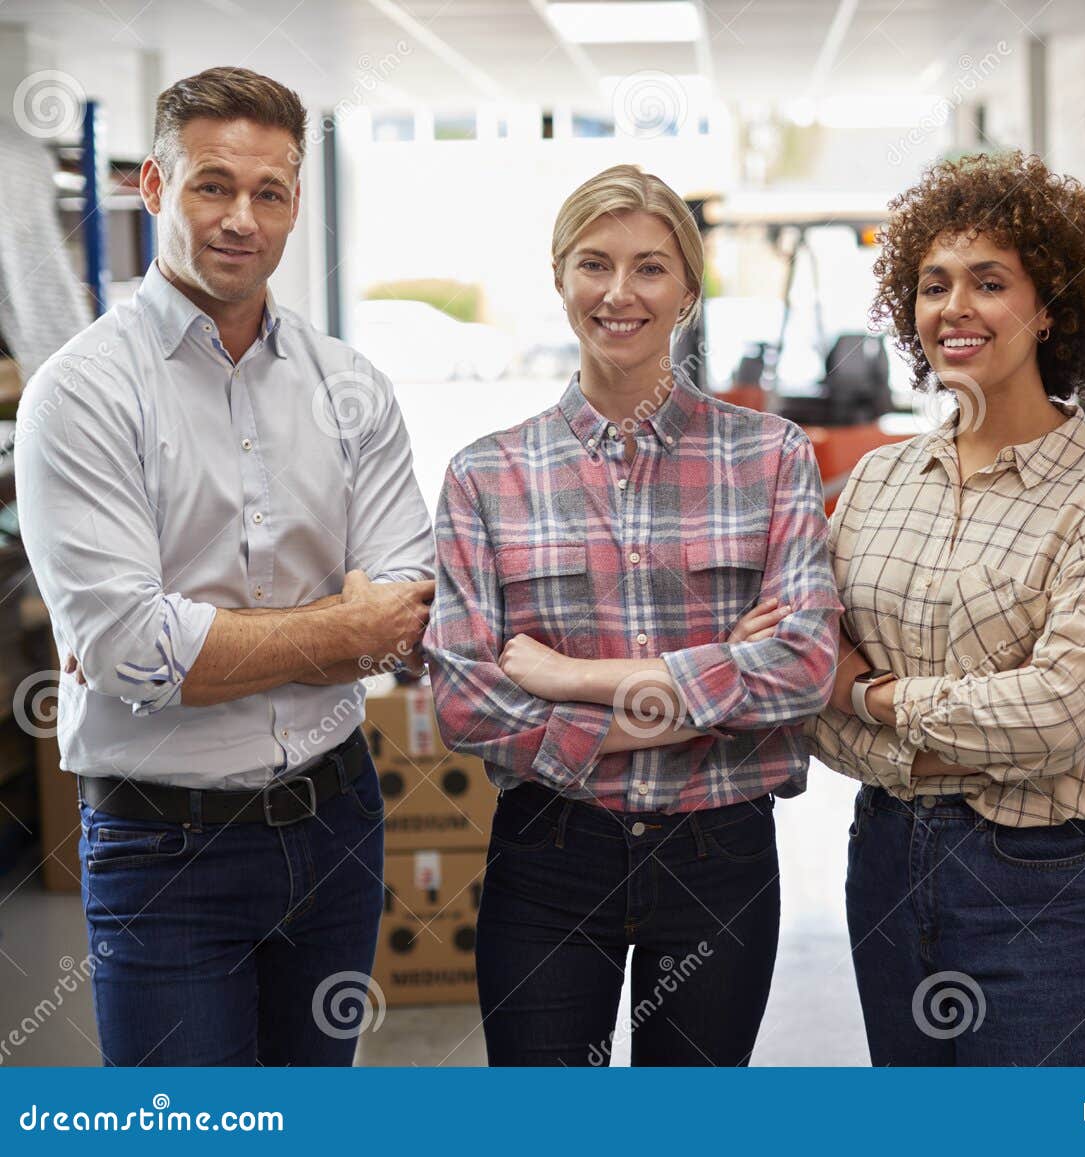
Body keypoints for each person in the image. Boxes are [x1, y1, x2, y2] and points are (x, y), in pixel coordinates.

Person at [16, 67, 435, 1066]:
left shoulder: (351, 386)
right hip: (164, 848)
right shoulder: (80, 395)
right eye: (212, 184)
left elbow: (407, 608)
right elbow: (127, 650)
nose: (240, 217)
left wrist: (192, 641)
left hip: (336, 819)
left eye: (270, 192)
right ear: (156, 187)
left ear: (295, 202)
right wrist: (339, 626)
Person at [423, 164, 840, 1067]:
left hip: (718, 853)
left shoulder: (770, 456)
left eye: (651, 267)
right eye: (594, 264)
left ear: (688, 289)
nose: (620, 292)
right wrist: (711, 674)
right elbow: (463, 700)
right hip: (548, 853)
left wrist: (574, 679)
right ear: (560, 277)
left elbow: (806, 665)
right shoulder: (484, 477)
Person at [806, 150, 1085, 1065]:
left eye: (989, 282)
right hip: (885, 859)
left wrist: (875, 700)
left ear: (1049, 309)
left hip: (1039, 880)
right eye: (933, 284)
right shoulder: (877, 482)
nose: (954, 306)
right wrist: (852, 700)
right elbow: (807, 679)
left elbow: (1058, 713)